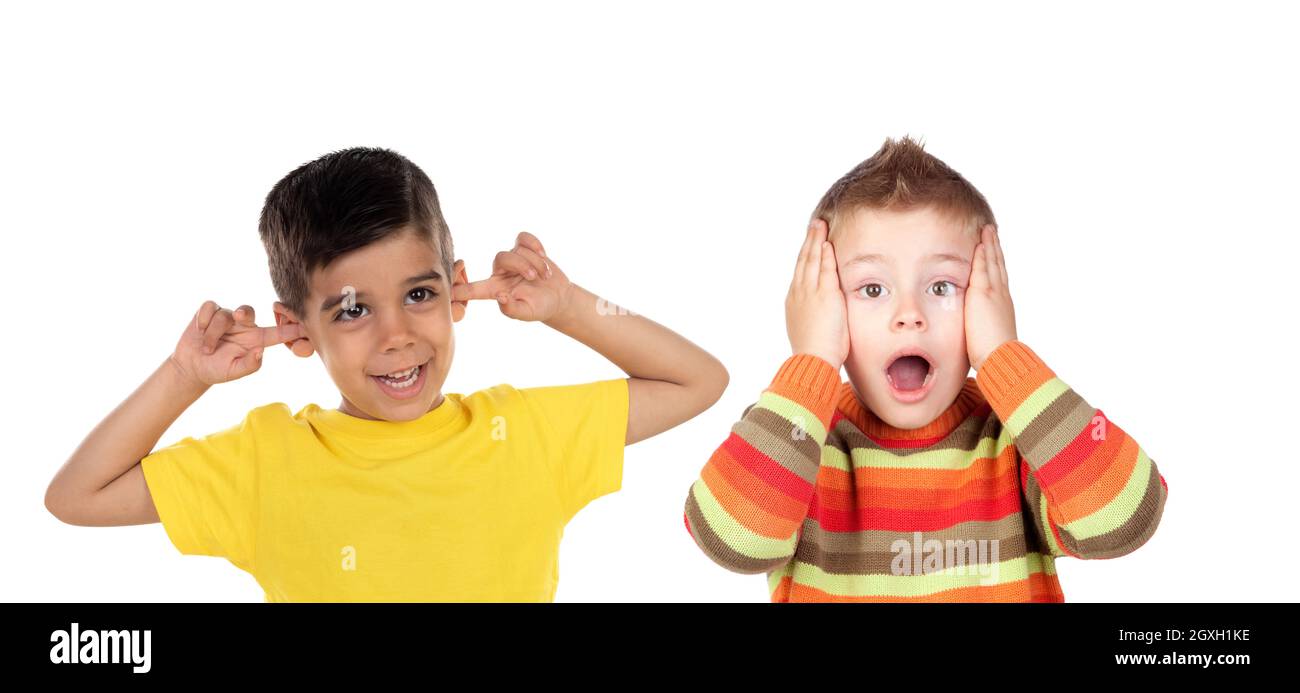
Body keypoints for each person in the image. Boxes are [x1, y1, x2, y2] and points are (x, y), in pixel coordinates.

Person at [46, 147, 729, 602]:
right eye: (350, 311)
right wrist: (184, 375)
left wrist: (569, 306)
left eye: (420, 294)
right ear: (297, 330)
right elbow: (76, 495)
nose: (396, 335)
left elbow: (697, 380)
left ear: (459, 291)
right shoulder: (265, 460)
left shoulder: (523, 433)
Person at [683, 136, 1167, 602]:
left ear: (987, 298)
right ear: (825, 305)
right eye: (872, 290)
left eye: (942, 287)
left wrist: (1004, 356)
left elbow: (1125, 519)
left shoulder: (1024, 438)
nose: (910, 313)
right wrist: (811, 361)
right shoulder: (797, 437)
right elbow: (733, 539)